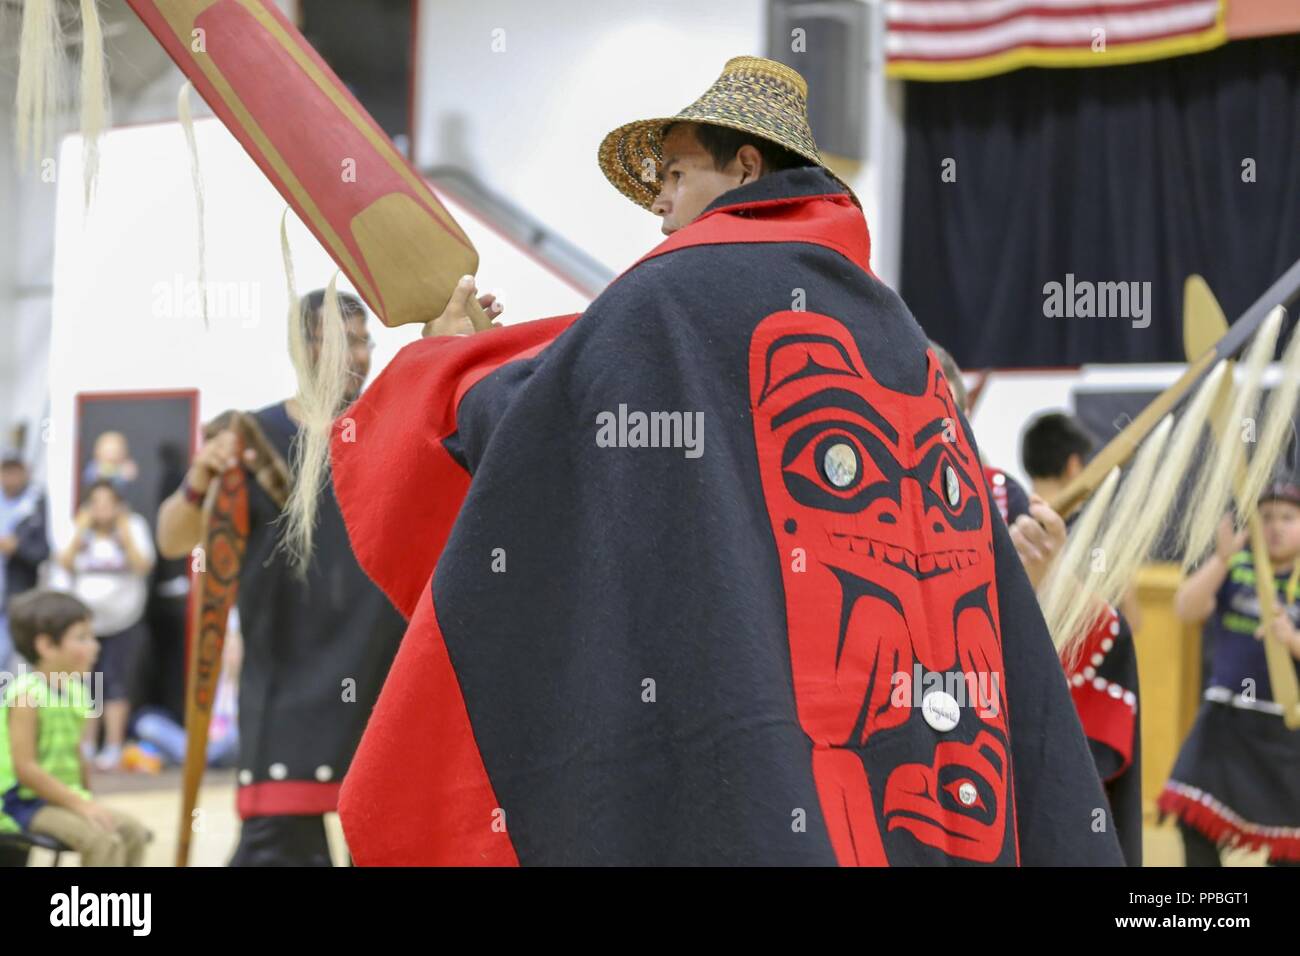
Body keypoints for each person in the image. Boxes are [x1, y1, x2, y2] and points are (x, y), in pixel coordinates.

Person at [332, 56, 1121, 865]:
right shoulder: (898, 332)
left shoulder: (672, 300)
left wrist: (442, 368)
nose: (659, 203)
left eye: (674, 174)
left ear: (747, 167)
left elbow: (542, 424)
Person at [154, 288, 488, 866]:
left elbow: (449, 406)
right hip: (285, 678)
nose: (359, 356)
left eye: (364, 342)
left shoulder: (384, 424)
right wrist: (200, 480)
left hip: (381, 668)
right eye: (345, 342)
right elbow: (172, 539)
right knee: (278, 851)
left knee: (388, 843)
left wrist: (457, 340)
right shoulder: (250, 438)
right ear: (305, 347)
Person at [931, 343, 1141, 865]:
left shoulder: (1005, 500)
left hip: (987, 729)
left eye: (949, 418)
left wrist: (1042, 584)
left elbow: (1109, 630)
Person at [1159, 480, 1300, 866]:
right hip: (1225, 720)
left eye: (1287, 517)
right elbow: (1186, 609)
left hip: (1286, 732)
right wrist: (1220, 560)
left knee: (1289, 848)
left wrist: (1291, 639)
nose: (1275, 526)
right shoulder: (1236, 565)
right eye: (1266, 517)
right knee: (1192, 822)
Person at [0, 590, 150, 865]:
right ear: (46, 646)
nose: (95, 646)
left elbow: (78, 753)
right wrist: (81, 805)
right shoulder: (26, 697)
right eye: (82, 637)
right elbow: (26, 769)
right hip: (22, 805)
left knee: (133, 833)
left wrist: (89, 801)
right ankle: (89, 909)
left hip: (62, 800)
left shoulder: (78, 692)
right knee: (102, 841)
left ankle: (122, 907)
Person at [52, 479, 155, 771]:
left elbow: (143, 565)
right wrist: (81, 529)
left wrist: (123, 531)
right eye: (96, 503)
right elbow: (64, 562)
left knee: (115, 683)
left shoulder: (133, 526)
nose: (102, 510)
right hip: (85, 624)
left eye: (108, 503)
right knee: (85, 684)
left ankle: (113, 746)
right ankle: (85, 746)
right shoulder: (78, 527)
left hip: (123, 619)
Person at [0, 449, 50, 672]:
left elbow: (42, 553)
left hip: (16, 599)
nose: (10, 477)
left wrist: (16, 548)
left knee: (13, 664)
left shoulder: (35, 505)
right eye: (5, 471)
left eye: (14, 470)